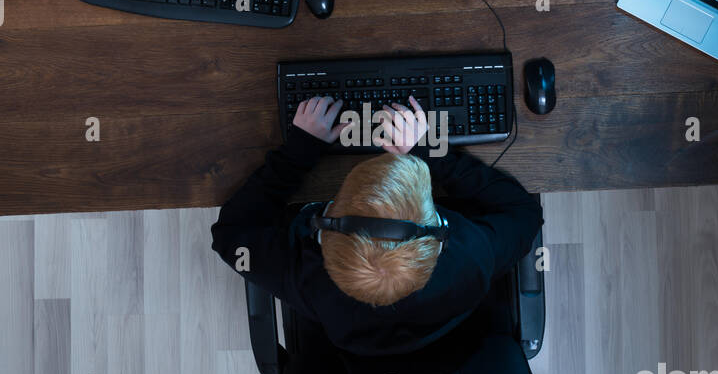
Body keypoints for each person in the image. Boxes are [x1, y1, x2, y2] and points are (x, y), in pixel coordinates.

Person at [210, 94, 542, 358]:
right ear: (440, 234)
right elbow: (525, 212)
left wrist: (298, 152)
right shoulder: (471, 258)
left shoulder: (305, 280)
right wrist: (431, 153)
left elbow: (230, 234)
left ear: (323, 230)